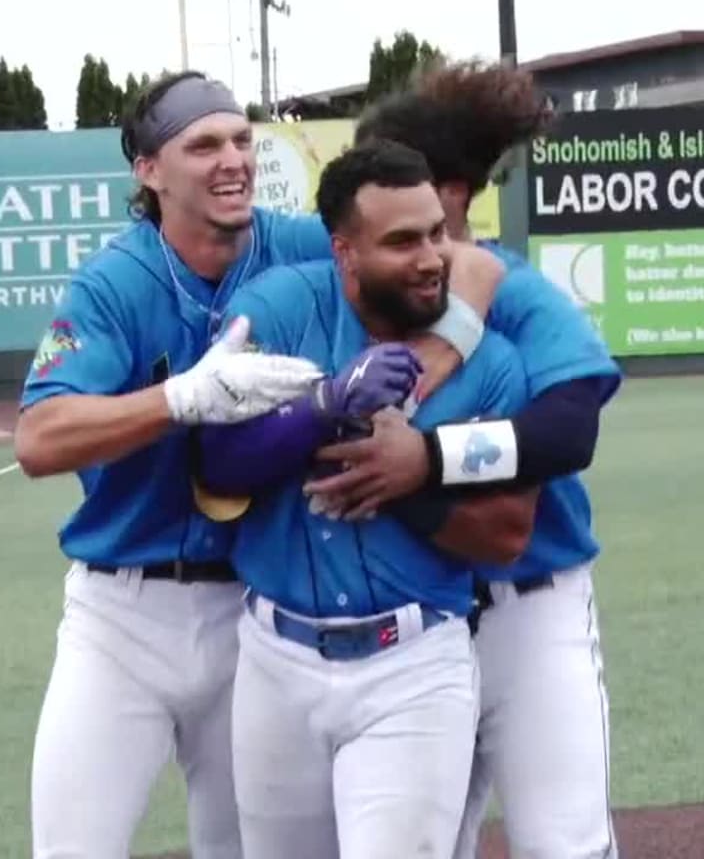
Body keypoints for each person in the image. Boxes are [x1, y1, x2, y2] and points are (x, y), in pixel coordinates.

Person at [13, 72, 507, 859]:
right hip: (122, 614)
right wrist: (178, 399)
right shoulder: (112, 283)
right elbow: (39, 439)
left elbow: (473, 267)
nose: (232, 159)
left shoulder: (298, 241)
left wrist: (423, 366)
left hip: (253, 614)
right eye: (203, 145)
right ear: (148, 170)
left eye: (242, 138)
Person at [192, 138, 536, 858]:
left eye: (436, 234)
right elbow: (214, 465)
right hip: (275, 661)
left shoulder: (491, 362)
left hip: (413, 662)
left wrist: (411, 477)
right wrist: (322, 407)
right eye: (402, 241)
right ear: (344, 254)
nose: (430, 258)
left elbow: (507, 535)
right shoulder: (280, 308)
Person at [332, 61, 625, 858]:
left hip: (530, 608)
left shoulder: (521, 294)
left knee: (564, 842)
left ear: (454, 194)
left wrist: (423, 459)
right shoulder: (346, 300)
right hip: (410, 619)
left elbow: (570, 433)